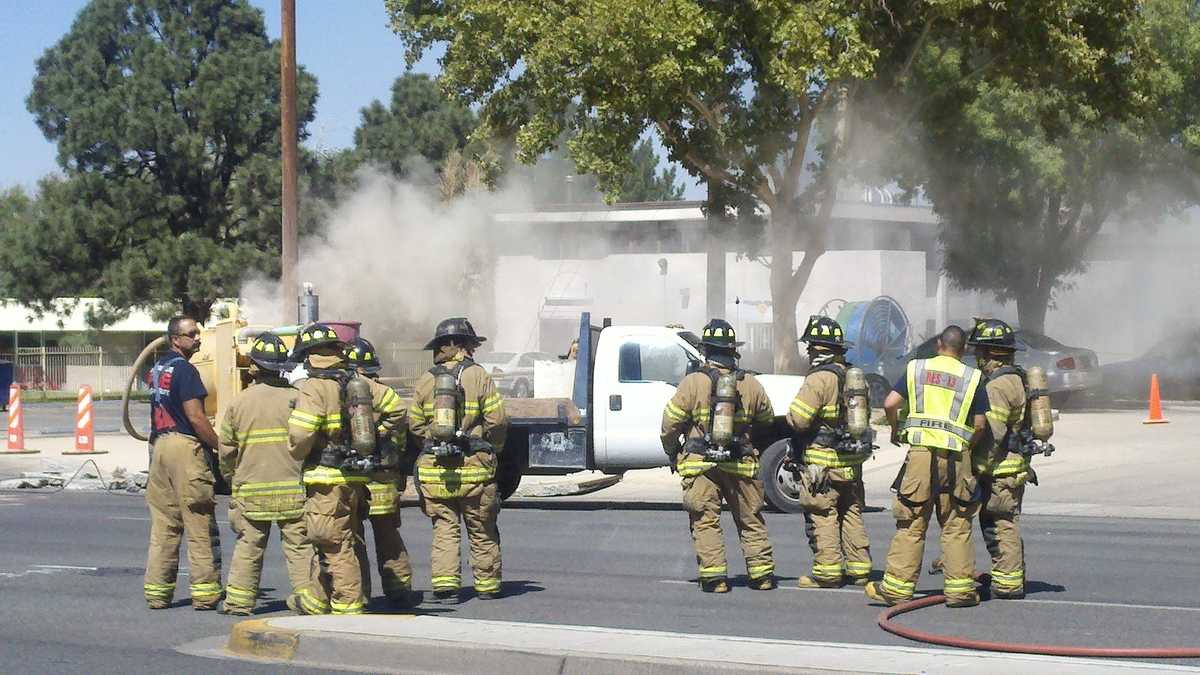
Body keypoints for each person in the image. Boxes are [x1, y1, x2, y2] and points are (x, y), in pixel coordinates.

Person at [865, 325, 989, 608]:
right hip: (957, 459)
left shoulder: (916, 369)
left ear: (938, 346)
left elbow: (890, 403)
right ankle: (960, 592)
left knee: (911, 522)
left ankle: (897, 589)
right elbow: (980, 424)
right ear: (965, 349)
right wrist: (968, 445)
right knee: (957, 524)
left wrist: (896, 429)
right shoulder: (972, 378)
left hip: (920, 456)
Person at [287, 324, 406, 615]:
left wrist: (298, 454)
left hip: (326, 480)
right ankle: (316, 602)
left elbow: (301, 436)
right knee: (345, 540)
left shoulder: (313, 387)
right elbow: (398, 408)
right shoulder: (356, 380)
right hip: (356, 477)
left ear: (307, 356)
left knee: (333, 544)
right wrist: (375, 434)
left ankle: (348, 607)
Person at [661, 319, 776, 593]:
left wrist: (672, 451)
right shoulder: (751, 384)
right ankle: (761, 577)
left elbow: (669, 425)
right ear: (733, 350)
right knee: (751, 520)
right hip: (741, 464)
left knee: (705, 520)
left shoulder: (692, 383)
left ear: (706, 351)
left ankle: (715, 579)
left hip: (701, 465)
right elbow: (767, 419)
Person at [408, 317, 508, 604]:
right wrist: (492, 447)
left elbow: (414, 424)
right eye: (471, 344)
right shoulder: (479, 376)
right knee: (481, 528)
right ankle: (487, 586)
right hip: (474, 469)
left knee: (444, 527)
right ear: (461, 345)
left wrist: (431, 441)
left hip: (436, 472)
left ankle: (445, 585)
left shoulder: (427, 379)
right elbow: (497, 420)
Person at [216, 332, 316, 616]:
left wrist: (232, 478)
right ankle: (309, 600)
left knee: (248, 546)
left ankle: (238, 602)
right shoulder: (297, 399)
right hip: (293, 490)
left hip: (251, 490)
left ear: (253, 367)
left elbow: (226, 451)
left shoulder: (239, 403)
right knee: (299, 547)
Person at [143, 316, 223, 610]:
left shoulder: (157, 368)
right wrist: (220, 448)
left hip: (159, 447)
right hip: (184, 448)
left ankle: (157, 593)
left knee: (164, 526)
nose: (198, 339)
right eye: (192, 334)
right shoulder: (187, 371)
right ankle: (205, 594)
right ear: (176, 339)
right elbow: (197, 418)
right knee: (199, 521)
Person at [786, 316, 872, 588]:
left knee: (823, 514)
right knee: (851, 512)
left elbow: (798, 420)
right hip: (851, 461)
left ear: (816, 349)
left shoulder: (819, 379)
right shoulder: (855, 377)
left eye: (810, 347)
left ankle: (827, 572)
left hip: (822, 464)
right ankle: (860, 569)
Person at [965, 318, 1037, 599]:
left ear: (988, 353)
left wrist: (973, 465)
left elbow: (992, 434)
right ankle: (1010, 575)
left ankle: (1008, 583)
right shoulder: (1016, 377)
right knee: (1005, 522)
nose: (976, 358)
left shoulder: (996, 386)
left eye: (978, 352)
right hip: (1015, 466)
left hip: (999, 470)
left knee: (999, 524)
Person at [345, 337, 417, 608]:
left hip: (354, 478)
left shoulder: (345, 387)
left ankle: (359, 594)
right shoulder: (378, 389)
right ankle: (399, 590)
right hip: (383, 476)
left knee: (354, 539)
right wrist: (382, 432)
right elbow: (399, 413)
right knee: (388, 536)